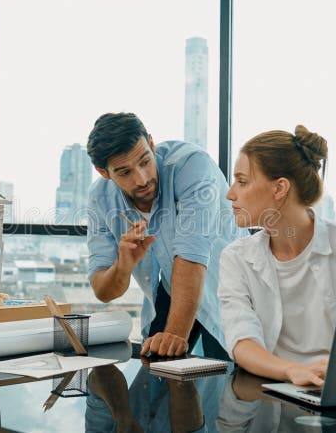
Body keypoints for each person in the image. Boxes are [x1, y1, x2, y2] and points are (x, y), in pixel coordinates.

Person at [218, 125, 336, 386]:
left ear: (279, 189)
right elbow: (243, 343)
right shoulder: (236, 258)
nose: (230, 193)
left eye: (242, 182)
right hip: (273, 392)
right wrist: (292, 371)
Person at [86, 112, 243, 359]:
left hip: (227, 288)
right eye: (124, 172)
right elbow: (104, 292)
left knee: (230, 385)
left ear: (151, 143)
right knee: (155, 373)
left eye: (145, 161)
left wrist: (175, 335)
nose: (142, 179)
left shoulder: (192, 165)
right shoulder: (101, 199)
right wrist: (123, 265)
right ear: (104, 172)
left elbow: (192, 253)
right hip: (174, 285)